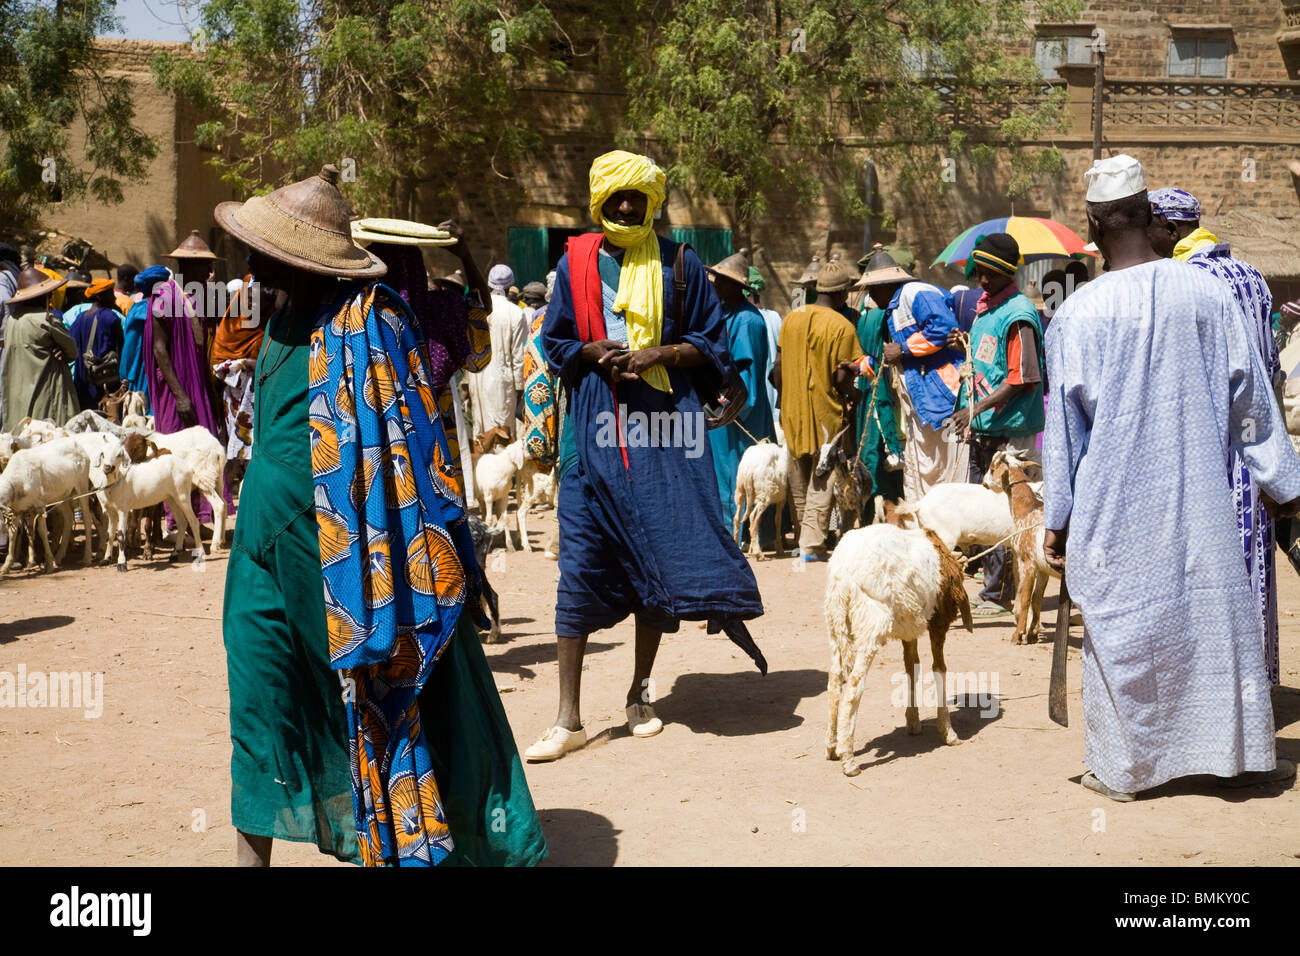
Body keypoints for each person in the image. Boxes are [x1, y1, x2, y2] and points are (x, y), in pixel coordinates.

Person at [213, 164, 545, 866]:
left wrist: (452, 546)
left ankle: (433, 841)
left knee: (395, 710)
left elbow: (420, 448)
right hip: (260, 557)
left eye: (262, 252)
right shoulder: (273, 326)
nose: (248, 263)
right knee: (260, 705)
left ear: (299, 260)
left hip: (351, 568)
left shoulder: (373, 322)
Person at [1042, 153, 1300, 801]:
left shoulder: (1078, 314)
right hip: (1202, 504)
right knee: (1211, 618)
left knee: (1126, 628)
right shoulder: (1208, 295)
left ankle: (1127, 769)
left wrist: (1057, 521)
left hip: (1111, 509)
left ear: (1095, 225)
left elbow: (1066, 435)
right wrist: (1283, 484)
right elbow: (1254, 404)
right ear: (1152, 217)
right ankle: (1238, 758)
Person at [535, 149, 767, 762]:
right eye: (619, 199)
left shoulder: (680, 262)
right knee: (580, 563)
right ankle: (569, 718)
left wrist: (658, 355)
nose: (629, 207)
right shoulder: (575, 261)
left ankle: (639, 696)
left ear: (652, 202)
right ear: (601, 202)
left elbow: (709, 345)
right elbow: (554, 340)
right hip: (590, 434)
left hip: (662, 433)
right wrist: (590, 353)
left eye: (639, 199)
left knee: (653, 557)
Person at [1149, 186, 1284, 687]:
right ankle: (1255, 679)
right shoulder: (1251, 276)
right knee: (1251, 561)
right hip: (1252, 446)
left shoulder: (1182, 280)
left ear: (1169, 229)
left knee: (1204, 567)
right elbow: (1269, 369)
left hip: (1201, 449)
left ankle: (1214, 685)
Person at [946, 233, 1045, 618]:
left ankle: (999, 595)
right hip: (989, 426)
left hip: (1009, 428)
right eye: (979, 273)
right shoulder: (989, 310)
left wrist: (975, 409)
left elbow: (1025, 376)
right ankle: (993, 588)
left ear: (1005, 273)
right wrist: (965, 343)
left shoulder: (1018, 313)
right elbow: (993, 360)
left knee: (1009, 512)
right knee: (988, 509)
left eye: (988, 274)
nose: (981, 281)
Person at [773, 259, 864, 560]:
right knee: (822, 477)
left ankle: (803, 536)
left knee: (798, 475)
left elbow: (777, 372)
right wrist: (855, 395)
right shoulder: (843, 326)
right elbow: (841, 376)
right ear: (842, 294)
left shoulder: (791, 319)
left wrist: (788, 398)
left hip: (792, 411)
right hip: (827, 415)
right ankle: (811, 545)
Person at [859, 253, 967, 502]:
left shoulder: (915, 293)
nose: (871, 296)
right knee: (926, 468)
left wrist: (904, 349)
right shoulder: (893, 309)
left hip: (943, 396)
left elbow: (943, 328)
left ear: (884, 286)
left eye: (873, 289)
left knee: (948, 467)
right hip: (923, 402)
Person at [705, 250, 777, 539]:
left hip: (737, 410)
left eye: (722, 281)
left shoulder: (748, 321)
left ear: (737, 286)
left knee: (738, 471)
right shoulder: (728, 314)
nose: (716, 285)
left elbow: (746, 373)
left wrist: (724, 408)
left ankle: (741, 531)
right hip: (723, 404)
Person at [849, 249, 906, 507]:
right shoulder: (887, 315)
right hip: (884, 392)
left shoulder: (864, 316)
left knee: (870, 447)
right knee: (882, 452)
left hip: (868, 387)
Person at [0, 268, 79, 432]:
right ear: (43, 295)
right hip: (46, 393)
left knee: (21, 434)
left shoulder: (12, 321)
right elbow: (73, 352)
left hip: (18, 392)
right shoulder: (46, 319)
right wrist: (61, 350)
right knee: (50, 434)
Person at [465, 263, 528, 441]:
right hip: (503, 380)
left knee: (481, 435)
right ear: (510, 287)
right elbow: (518, 356)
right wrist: (519, 389)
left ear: (489, 285)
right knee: (501, 435)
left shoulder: (478, 308)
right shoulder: (516, 313)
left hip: (477, 376)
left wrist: (467, 382)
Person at [69, 278, 125, 410]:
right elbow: (122, 346)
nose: (114, 299)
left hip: (82, 386)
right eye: (111, 294)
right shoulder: (109, 317)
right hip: (105, 385)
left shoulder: (79, 319)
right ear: (100, 296)